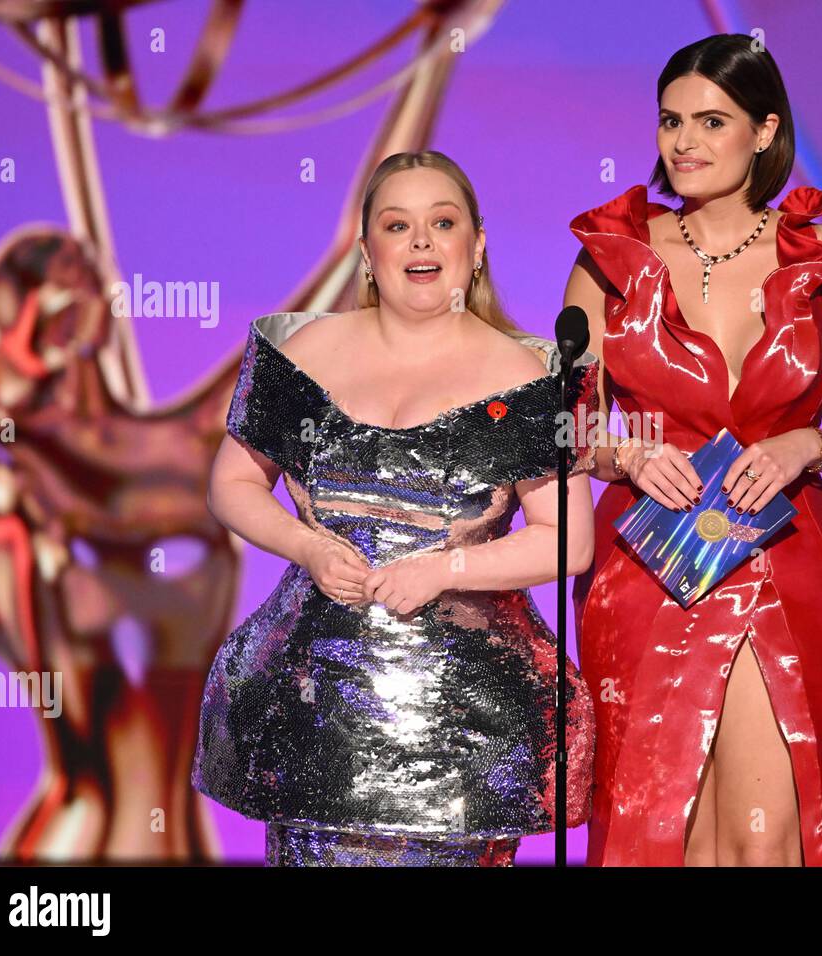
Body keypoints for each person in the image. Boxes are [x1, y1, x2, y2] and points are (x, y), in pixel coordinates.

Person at [191, 150, 600, 866]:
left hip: (465, 738)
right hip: (317, 719)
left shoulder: (528, 376)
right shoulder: (305, 355)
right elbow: (232, 484)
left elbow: (567, 540)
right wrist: (308, 548)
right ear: (366, 252)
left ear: (476, 247)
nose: (420, 241)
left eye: (442, 223)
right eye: (397, 224)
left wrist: (447, 568)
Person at [564, 34, 822, 866]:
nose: (683, 142)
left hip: (786, 552)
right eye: (671, 121)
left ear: (764, 131)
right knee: (661, 823)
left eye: (711, 121)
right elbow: (567, 428)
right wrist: (628, 456)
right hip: (648, 555)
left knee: (771, 829)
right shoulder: (610, 261)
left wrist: (805, 445)